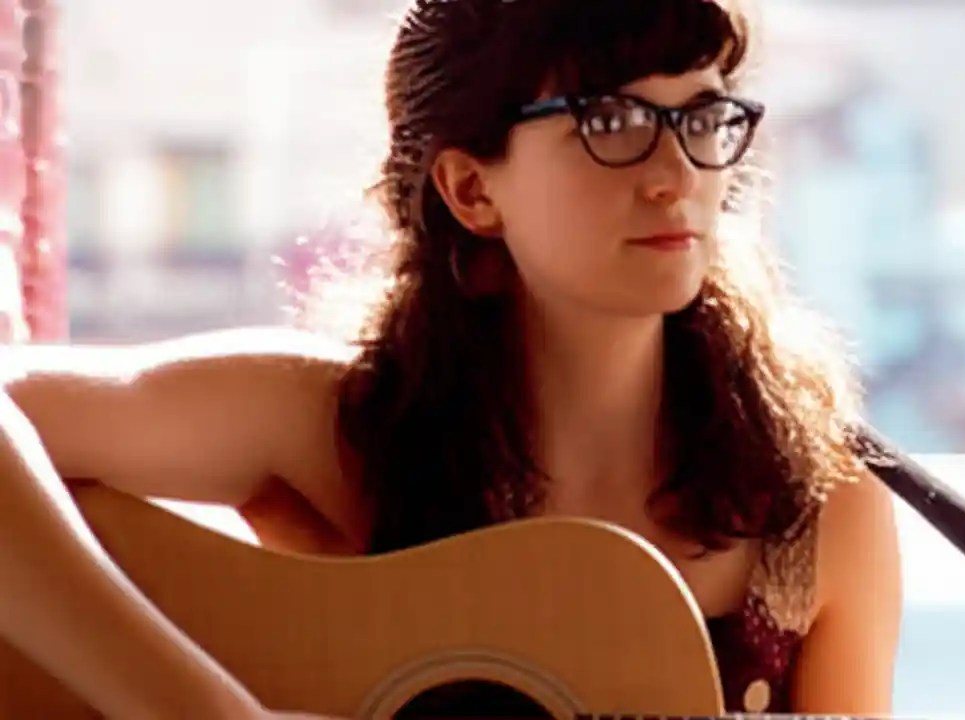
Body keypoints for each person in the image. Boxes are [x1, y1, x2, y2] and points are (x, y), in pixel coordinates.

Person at [0, 0, 903, 717]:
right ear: (473, 189)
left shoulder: (818, 514)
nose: (677, 175)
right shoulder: (340, 430)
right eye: (614, 118)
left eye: (702, 117)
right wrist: (198, 708)